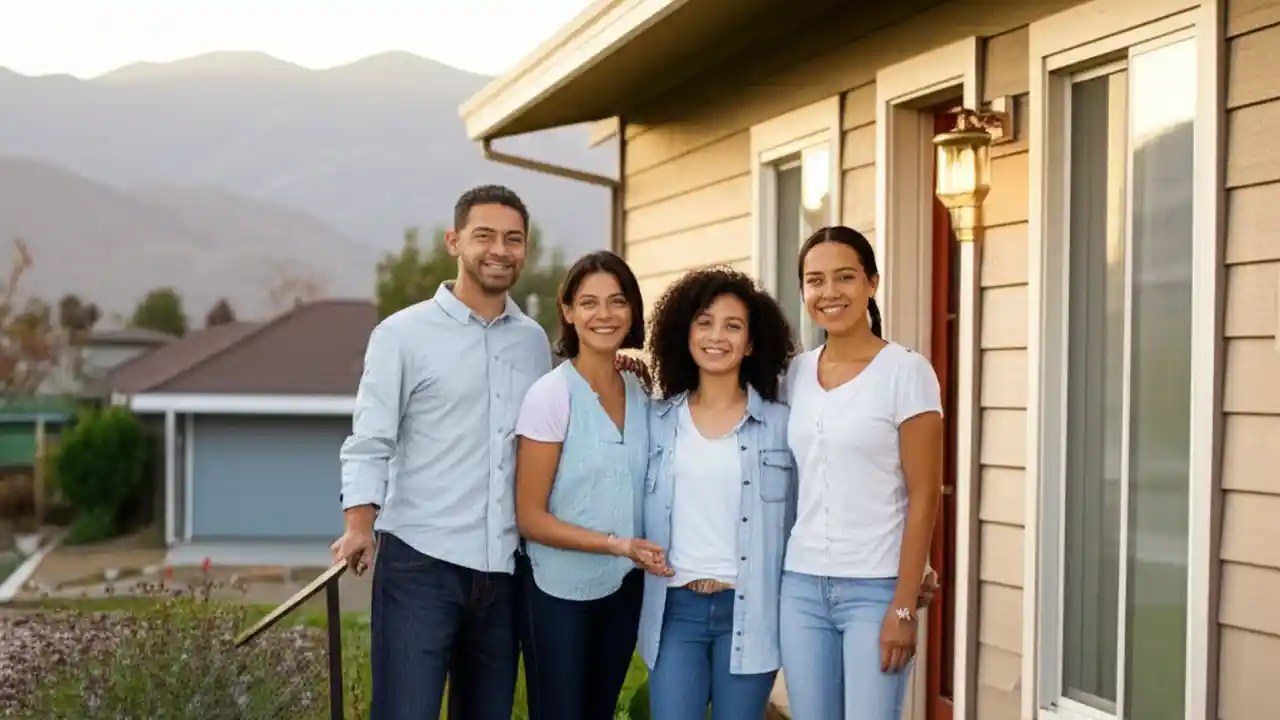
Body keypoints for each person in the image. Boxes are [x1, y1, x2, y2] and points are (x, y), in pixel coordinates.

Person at [331, 185, 557, 720]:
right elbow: (370, 439)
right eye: (484, 236)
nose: (499, 250)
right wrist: (360, 524)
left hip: (504, 570)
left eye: (513, 239)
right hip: (420, 565)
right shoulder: (401, 335)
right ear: (454, 241)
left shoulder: (533, 342)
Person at [779, 226, 945, 720]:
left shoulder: (907, 371)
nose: (830, 292)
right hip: (802, 587)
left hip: (876, 589)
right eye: (815, 280)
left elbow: (924, 497)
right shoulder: (794, 375)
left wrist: (902, 605)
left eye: (845, 277)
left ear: (871, 283)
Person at [636, 267, 796, 720]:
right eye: (704, 322)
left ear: (751, 342)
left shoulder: (782, 425)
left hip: (750, 611)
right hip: (675, 610)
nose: (717, 336)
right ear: (685, 333)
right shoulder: (656, 421)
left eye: (733, 326)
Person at [513, 250, 666, 720]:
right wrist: (615, 544)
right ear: (568, 312)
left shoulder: (642, 391)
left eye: (617, 302)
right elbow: (530, 517)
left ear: (633, 311)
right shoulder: (551, 395)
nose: (604, 315)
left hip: (623, 588)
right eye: (589, 303)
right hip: (558, 591)